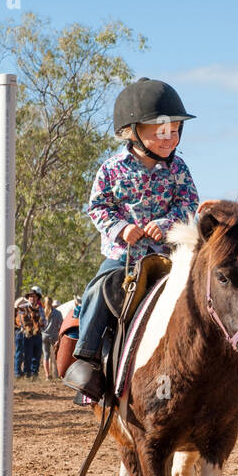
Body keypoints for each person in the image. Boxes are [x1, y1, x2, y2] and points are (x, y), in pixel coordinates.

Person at [63, 78, 200, 401]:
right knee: (98, 288)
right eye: (161, 131)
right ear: (134, 130)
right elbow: (98, 207)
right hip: (123, 257)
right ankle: (88, 359)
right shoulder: (110, 170)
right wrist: (121, 228)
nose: (171, 138)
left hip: (167, 256)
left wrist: (166, 223)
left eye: (176, 130)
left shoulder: (179, 169)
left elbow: (189, 204)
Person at [40, 295, 62, 379]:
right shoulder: (57, 313)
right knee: (56, 355)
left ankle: (47, 375)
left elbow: (39, 325)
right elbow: (61, 325)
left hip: (44, 336)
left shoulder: (42, 312)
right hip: (54, 336)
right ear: (52, 302)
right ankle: (57, 373)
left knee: (46, 355)